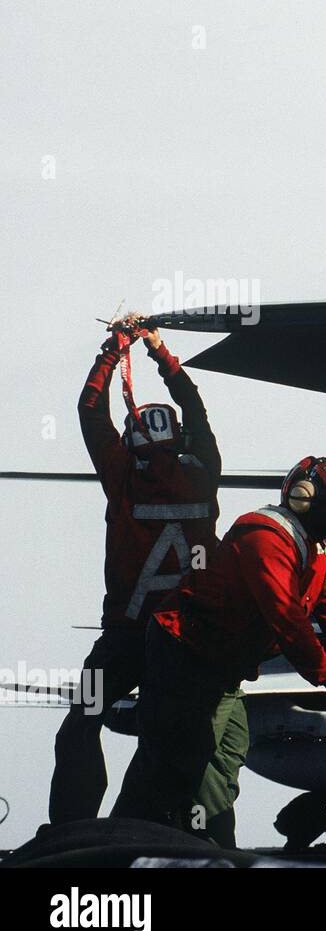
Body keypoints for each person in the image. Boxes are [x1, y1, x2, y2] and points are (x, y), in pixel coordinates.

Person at [113, 456, 326, 847]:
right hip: (184, 656)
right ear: (304, 499)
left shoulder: (316, 554)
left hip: (221, 668)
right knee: (179, 761)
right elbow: (290, 624)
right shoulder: (265, 538)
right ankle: (117, 846)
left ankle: (209, 849)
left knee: (225, 753)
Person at [50, 317, 220, 825]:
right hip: (187, 641)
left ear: (134, 442)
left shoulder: (123, 476)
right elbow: (196, 408)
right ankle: (165, 830)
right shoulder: (204, 472)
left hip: (127, 636)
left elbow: (88, 410)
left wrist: (112, 352)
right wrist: (159, 351)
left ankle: (76, 831)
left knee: (82, 724)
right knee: (178, 740)